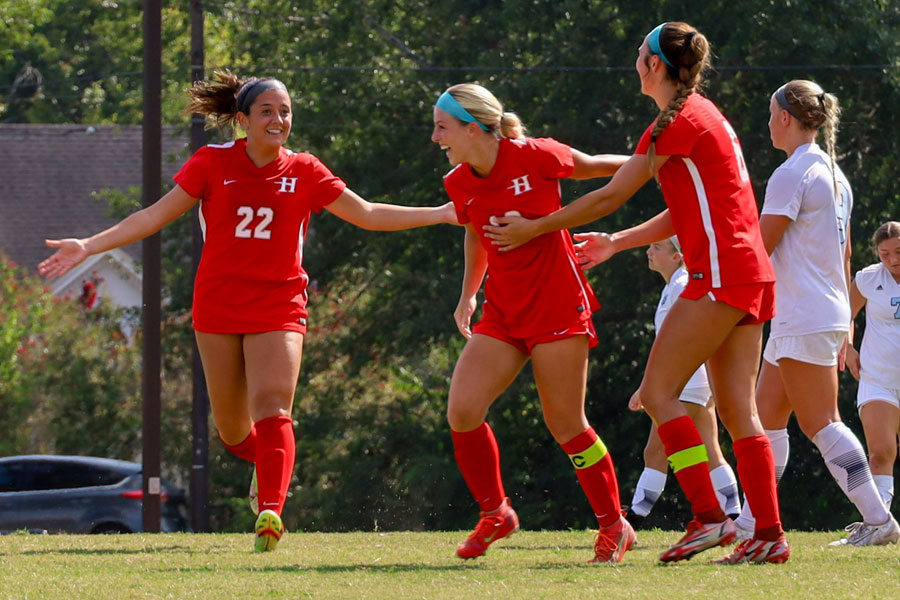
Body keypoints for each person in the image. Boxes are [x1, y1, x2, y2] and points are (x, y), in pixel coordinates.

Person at [38, 71, 458, 552]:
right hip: (217, 306)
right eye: (267, 111)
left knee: (274, 408)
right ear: (242, 120)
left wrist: (442, 213)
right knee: (233, 430)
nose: (278, 119)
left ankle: (271, 513)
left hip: (279, 304)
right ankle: (268, 465)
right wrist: (89, 245)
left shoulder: (305, 169)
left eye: (285, 112)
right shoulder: (211, 163)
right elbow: (152, 216)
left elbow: (366, 213)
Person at [483, 22, 788, 564]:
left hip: (718, 275)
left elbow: (609, 194)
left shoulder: (676, 124)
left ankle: (711, 518)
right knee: (740, 413)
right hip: (748, 272)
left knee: (657, 393)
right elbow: (688, 208)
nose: (634, 63)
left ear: (652, 65)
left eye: (637, 55)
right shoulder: (703, 115)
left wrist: (536, 226)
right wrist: (619, 243)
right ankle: (768, 534)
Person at [431, 83, 636, 563]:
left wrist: (653, 161)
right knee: (462, 410)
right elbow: (476, 237)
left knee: (566, 424)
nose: (435, 137)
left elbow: (602, 167)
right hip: (504, 313)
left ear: (474, 127)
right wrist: (468, 294)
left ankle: (613, 525)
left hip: (558, 306)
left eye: (442, 127)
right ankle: (495, 513)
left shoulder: (537, 155)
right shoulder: (458, 182)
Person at [732, 80, 899, 547]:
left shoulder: (793, 171)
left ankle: (879, 519)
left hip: (803, 314)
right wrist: (844, 322)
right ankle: (750, 522)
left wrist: (709, 269)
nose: (767, 123)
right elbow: (844, 254)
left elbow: (759, 246)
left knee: (821, 423)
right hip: (807, 314)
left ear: (786, 117)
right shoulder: (833, 172)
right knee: (766, 417)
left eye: (770, 115)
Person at [627, 236, 740, 525]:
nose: (648, 250)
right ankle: (735, 518)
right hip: (695, 378)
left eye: (657, 247)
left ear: (678, 257)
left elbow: (678, 340)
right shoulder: (677, 285)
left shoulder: (681, 286)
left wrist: (649, 386)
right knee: (712, 451)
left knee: (655, 452)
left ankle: (632, 521)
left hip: (684, 379)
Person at [845, 221, 900, 528]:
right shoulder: (867, 278)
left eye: (899, 251)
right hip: (878, 379)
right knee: (880, 453)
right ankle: (879, 525)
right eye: (885, 253)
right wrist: (849, 347)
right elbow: (846, 316)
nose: (893, 259)